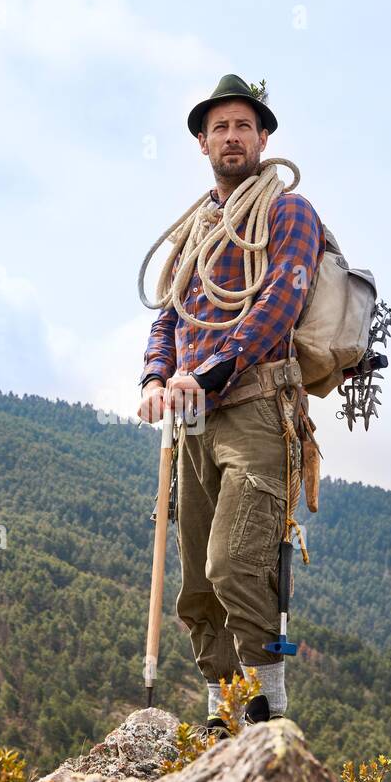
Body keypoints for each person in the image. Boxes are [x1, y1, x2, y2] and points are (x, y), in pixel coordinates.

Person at [136, 74, 324, 735]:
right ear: (202, 142)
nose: (232, 136)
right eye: (220, 127)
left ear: (264, 137)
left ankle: (268, 704)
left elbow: (280, 304)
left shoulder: (289, 212)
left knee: (233, 560)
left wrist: (212, 371)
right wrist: (155, 380)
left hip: (255, 407)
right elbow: (168, 315)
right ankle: (220, 710)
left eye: (244, 125)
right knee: (195, 580)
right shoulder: (195, 231)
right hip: (191, 418)